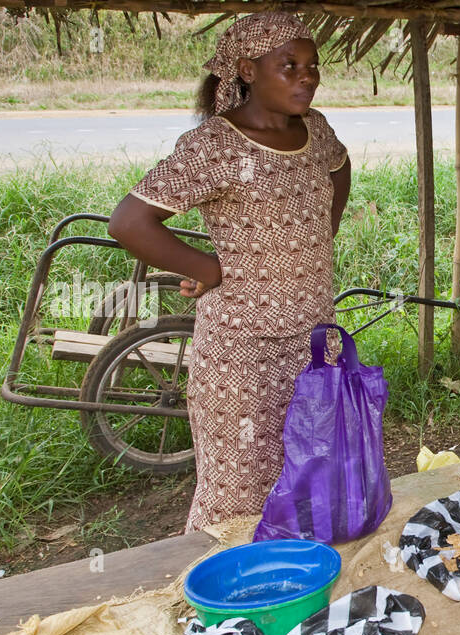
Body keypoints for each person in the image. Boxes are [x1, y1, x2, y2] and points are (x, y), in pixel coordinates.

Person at [107, 13, 352, 533]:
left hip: (313, 338)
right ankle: (223, 604)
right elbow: (130, 221)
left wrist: (316, 238)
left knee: (314, 471)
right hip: (242, 351)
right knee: (240, 489)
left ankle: (296, 590)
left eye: (312, 66)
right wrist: (207, 269)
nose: (306, 77)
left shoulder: (316, 130)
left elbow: (338, 167)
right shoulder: (215, 146)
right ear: (247, 69)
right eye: (289, 66)